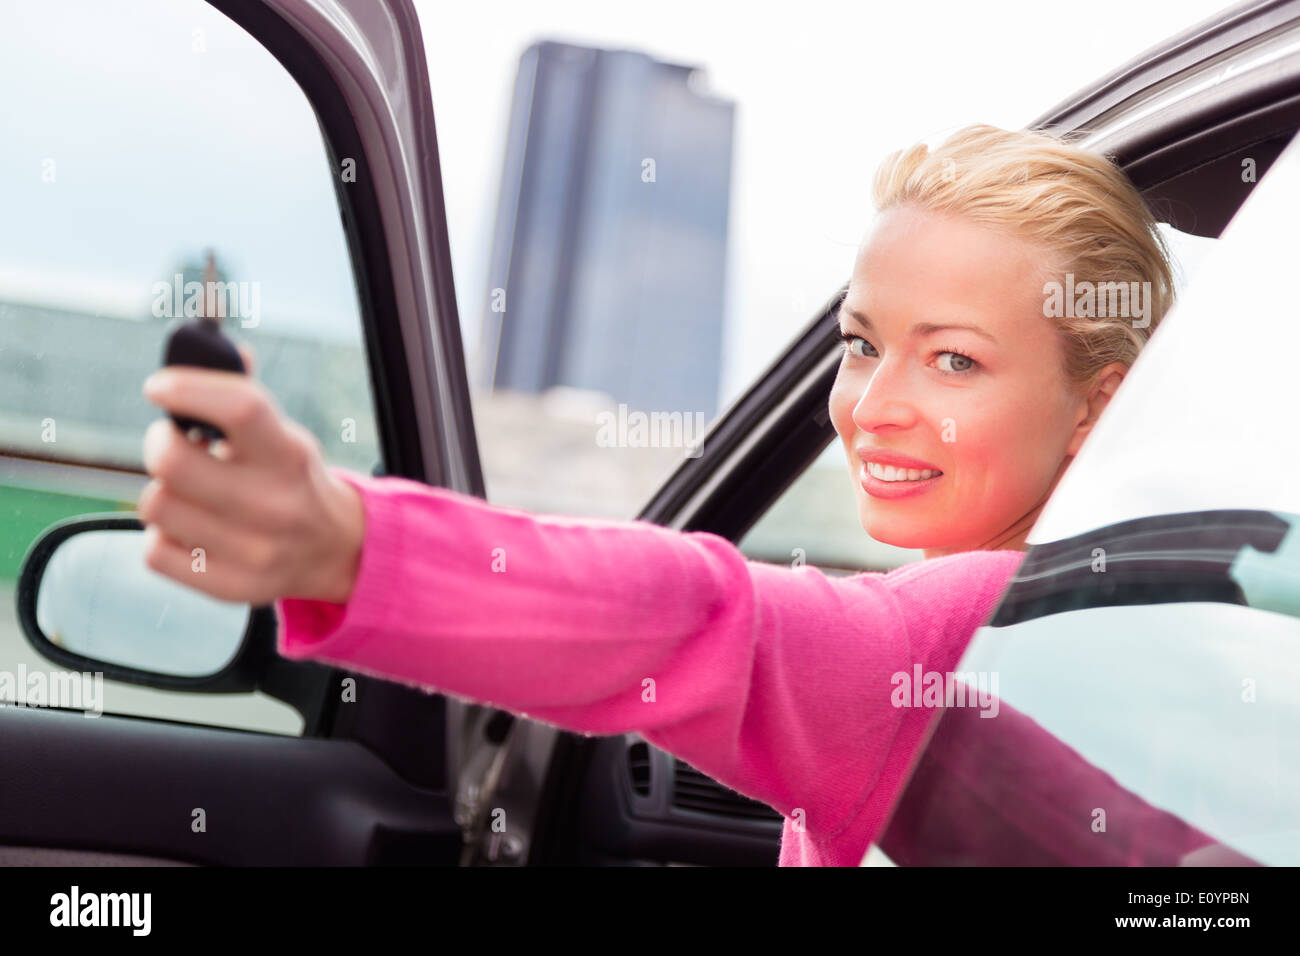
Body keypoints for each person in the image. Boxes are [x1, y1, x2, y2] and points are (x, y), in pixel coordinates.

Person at [135, 124, 1176, 866]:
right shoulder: (1164, 629)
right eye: (861, 344)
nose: (874, 405)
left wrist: (345, 541)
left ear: (1096, 408)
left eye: (952, 361)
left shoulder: (963, 641)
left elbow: (709, 625)